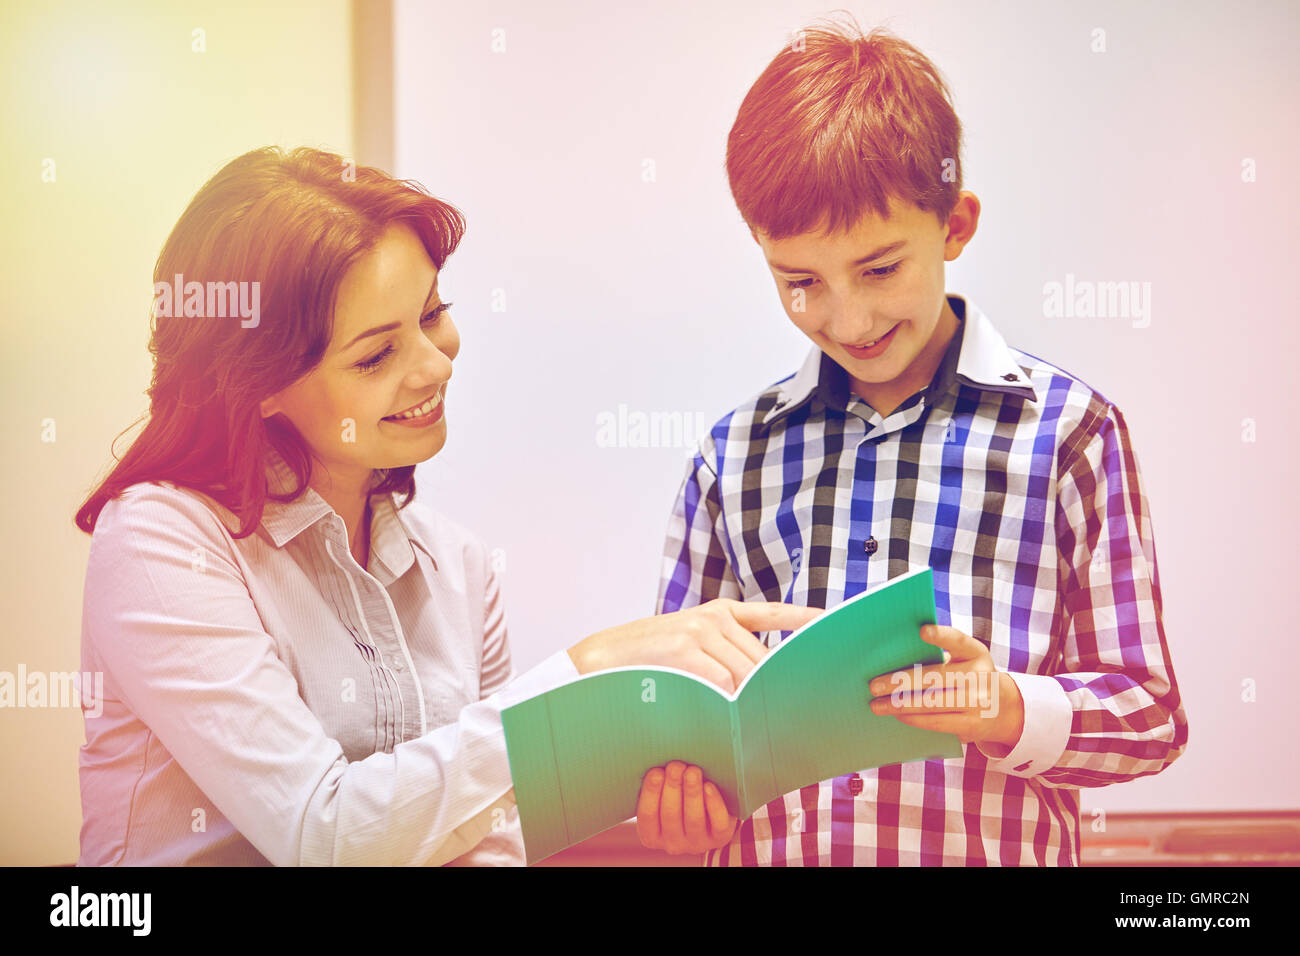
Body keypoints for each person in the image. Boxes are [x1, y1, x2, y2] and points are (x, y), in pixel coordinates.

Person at [73, 145, 818, 866]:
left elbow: (488, 842)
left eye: (433, 314)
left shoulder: (457, 566)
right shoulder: (159, 541)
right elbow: (325, 839)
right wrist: (587, 669)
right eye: (374, 355)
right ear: (257, 385)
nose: (436, 364)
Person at [634, 19, 1188, 864]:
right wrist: (683, 800)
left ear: (955, 226)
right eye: (801, 283)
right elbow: (673, 713)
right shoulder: (731, 456)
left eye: (881, 268)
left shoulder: (1072, 435)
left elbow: (1148, 717)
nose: (847, 320)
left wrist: (1005, 707)